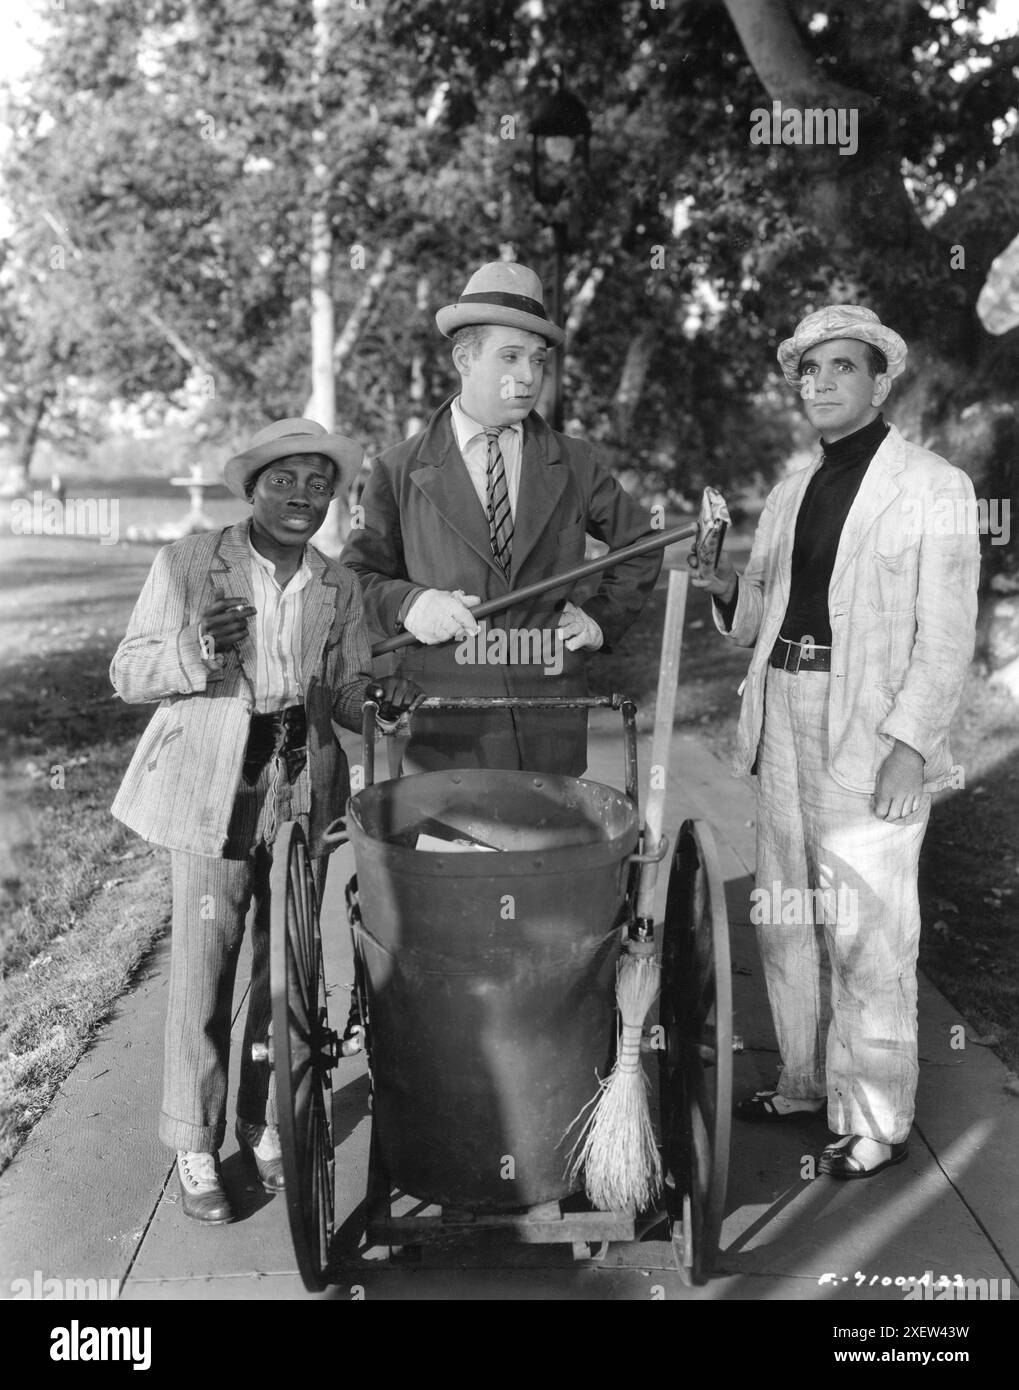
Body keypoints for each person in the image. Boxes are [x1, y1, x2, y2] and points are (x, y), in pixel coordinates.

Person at [689, 305, 979, 1179]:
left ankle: (875, 1117)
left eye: (839, 368)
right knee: (787, 915)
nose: (818, 384)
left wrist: (909, 746)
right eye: (807, 371)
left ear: (879, 380)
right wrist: (719, 583)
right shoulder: (789, 491)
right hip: (784, 708)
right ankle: (806, 1079)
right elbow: (756, 620)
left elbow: (945, 634)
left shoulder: (934, 487)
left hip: (871, 725)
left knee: (867, 926)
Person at [110, 418, 423, 1224]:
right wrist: (195, 650)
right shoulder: (188, 563)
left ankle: (261, 1121)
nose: (302, 498)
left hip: (300, 779)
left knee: (285, 964)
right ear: (251, 489)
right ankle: (194, 1142)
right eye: (284, 481)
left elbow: (347, 692)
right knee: (204, 967)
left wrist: (382, 700)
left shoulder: (335, 584)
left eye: (319, 485)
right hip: (215, 776)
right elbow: (127, 672)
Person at [341, 261, 662, 776]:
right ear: (464, 358)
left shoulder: (573, 461)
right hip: (442, 730)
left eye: (539, 360)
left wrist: (601, 618)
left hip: (548, 720)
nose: (529, 376)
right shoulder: (397, 469)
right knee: (449, 853)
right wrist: (411, 603)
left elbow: (642, 543)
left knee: (547, 853)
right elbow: (355, 577)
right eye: (510, 356)